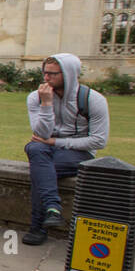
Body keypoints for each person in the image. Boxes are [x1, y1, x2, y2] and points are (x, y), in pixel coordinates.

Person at [22, 53, 110, 245]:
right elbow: (41, 133)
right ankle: (52, 208)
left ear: (69, 74)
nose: (46, 78)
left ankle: (38, 227)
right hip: (45, 150)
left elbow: (98, 141)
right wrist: (46, 104)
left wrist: (56, 142)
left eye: (52, 74)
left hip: (78, 153)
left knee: (42, 170)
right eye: (45, 73)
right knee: (35, 149)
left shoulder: (93, 100)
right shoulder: (36, 98)